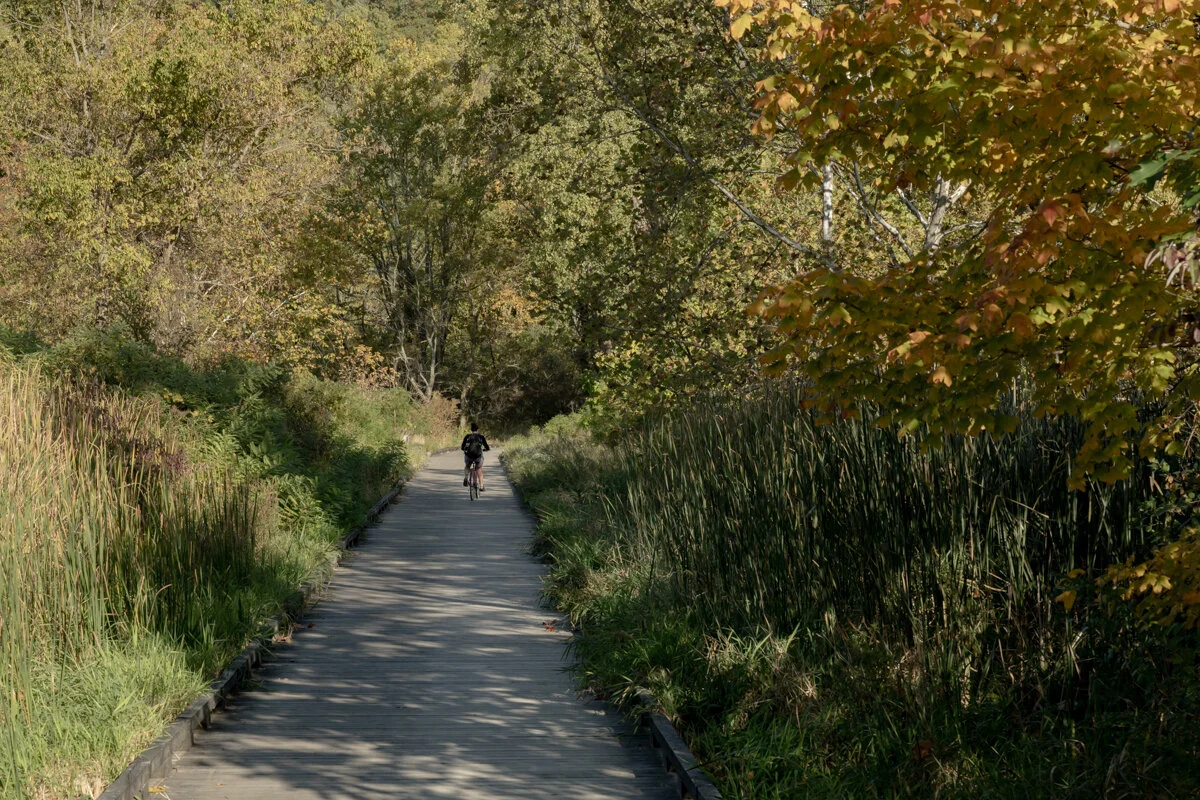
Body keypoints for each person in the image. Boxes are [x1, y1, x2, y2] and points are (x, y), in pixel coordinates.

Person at [461, 423, 491, 492]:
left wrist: (466, 450)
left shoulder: (467, 436)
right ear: (477, 429)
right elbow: (487, 447)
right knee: (479, 469)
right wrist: (485, 449)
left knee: (467, 466)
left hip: (469, 456)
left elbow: (462, 447)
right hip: (478, 457)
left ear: (471, 430)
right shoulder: (481, 437)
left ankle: (466, 477)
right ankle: (481, 486)